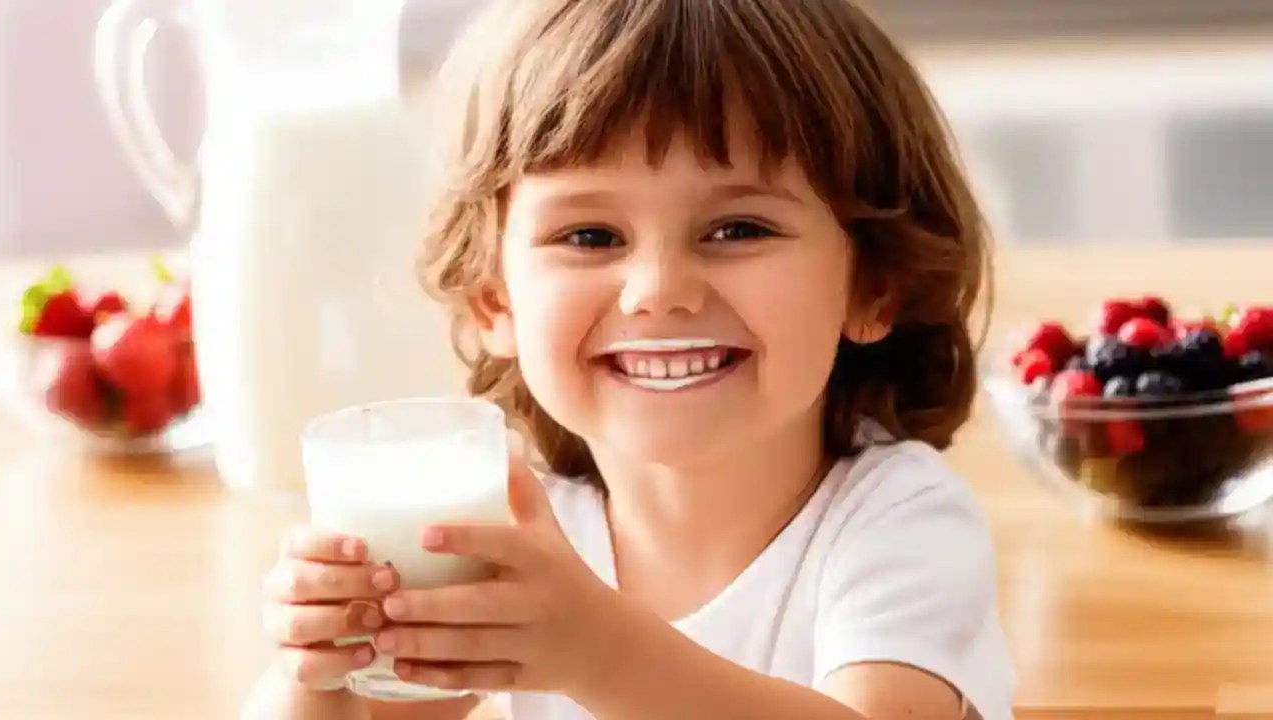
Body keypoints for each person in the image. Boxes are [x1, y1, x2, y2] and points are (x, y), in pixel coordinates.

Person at [244, 0, 1015, 718]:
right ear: (495, 300)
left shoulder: (900, 524)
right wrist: (317, 675)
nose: (658, 291)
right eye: (590, 237)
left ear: (876, 283)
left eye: (739, 228)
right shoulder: (524, 535)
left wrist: (598, 652)